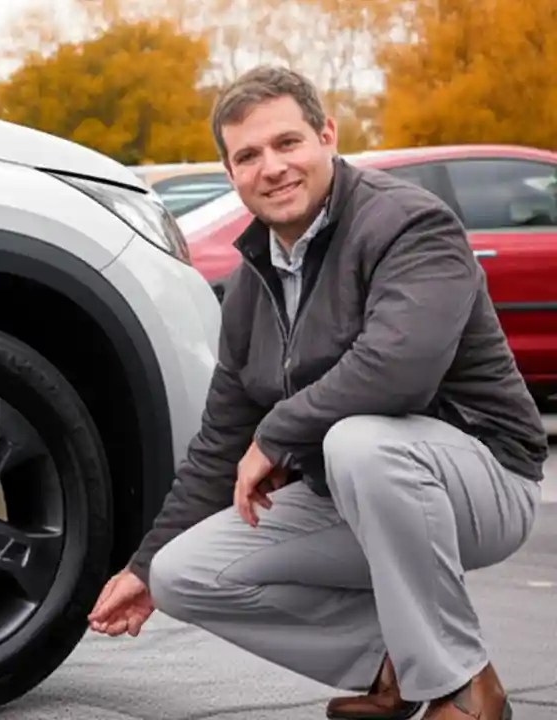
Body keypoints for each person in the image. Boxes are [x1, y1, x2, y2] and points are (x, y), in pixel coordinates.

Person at [88, 65, 548, 720]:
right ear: (231, 173)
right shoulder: (250, 284)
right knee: (185, 574)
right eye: (247, 155)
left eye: (287, 143)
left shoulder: (408, 226)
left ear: (326, 135)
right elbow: (221, 441)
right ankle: (391, 665)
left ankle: (465, 689)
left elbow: (401, 366)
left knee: (360, 442)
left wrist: (277, 435)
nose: (271, 167)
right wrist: (145, 564)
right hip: (352, 491)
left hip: (482, 482)